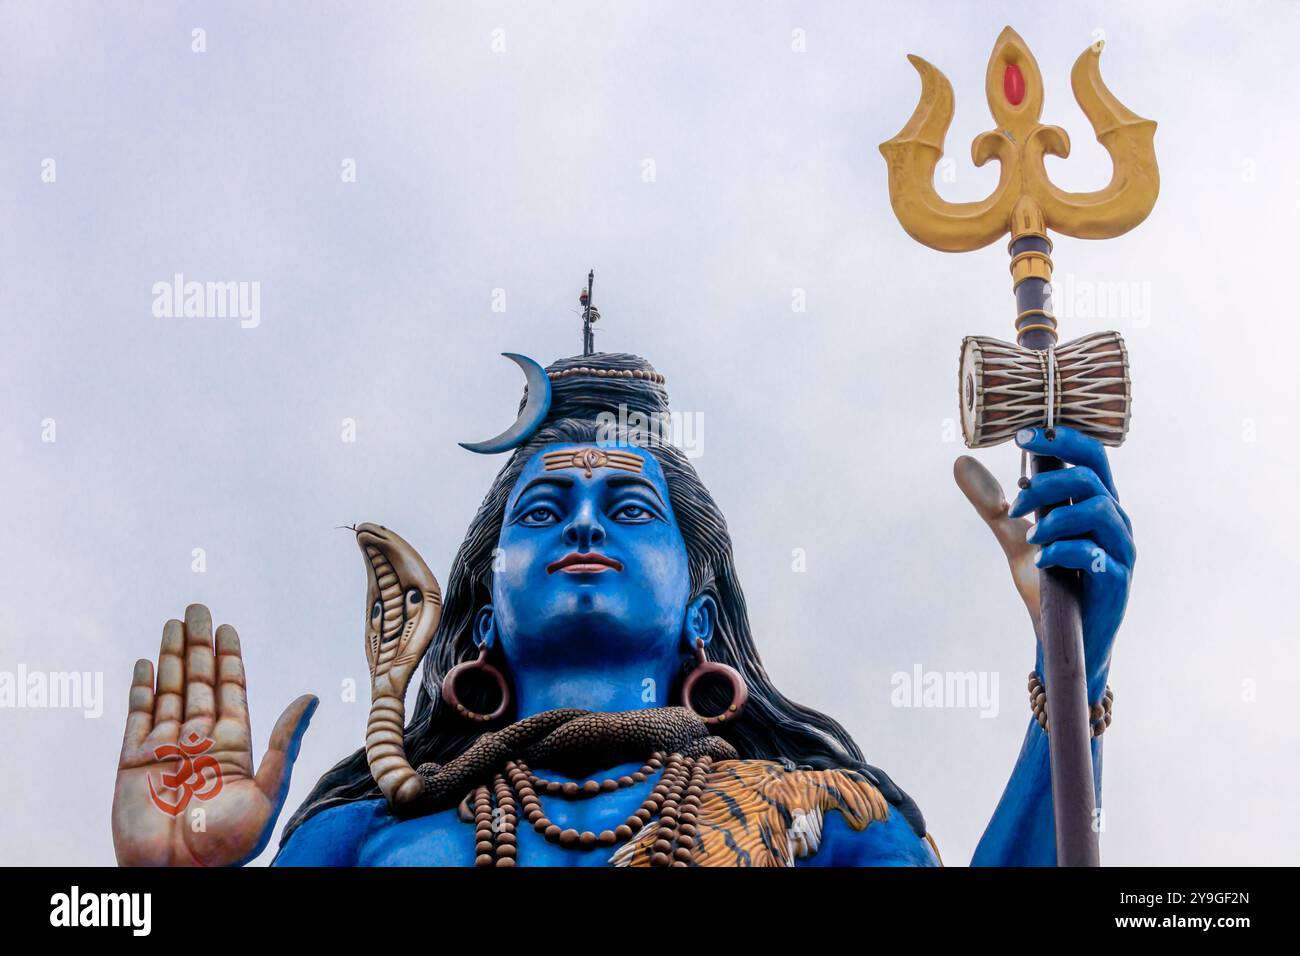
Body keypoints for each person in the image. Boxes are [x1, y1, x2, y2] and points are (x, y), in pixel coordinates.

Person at [112, 351, 1132, 866]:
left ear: (700, 607)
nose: (584, 524)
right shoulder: (364, 835)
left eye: (630, 506)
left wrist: (1072, 660)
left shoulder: (816, 814)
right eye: (545, 505)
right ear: (479, 610)